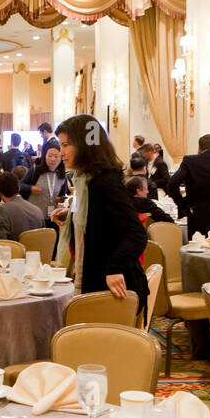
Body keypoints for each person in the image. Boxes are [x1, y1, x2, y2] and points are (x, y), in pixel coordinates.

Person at [49, 114, 148, 315]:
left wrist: (114, 268)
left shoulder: (105, 183)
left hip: (112, 287)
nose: (62, 152)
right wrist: (70, 215)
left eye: (66, 145)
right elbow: (99, 217)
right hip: (93, 277)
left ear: (86, 146)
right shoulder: (86, 182)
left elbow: (136, 233)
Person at [0, 171, 44, 241]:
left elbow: (0, 241)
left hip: (15, 251)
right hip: (38, 251)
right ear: (19, 187)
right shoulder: (38, 210)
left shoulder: (3, 210)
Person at [22, 142, 67, 219]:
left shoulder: (63, 176)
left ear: (61, 159)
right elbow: (20, 186)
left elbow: (62, 195)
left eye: (56, 156)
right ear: (45, 157)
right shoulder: (35, 170)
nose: (52, 159)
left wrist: (60, 199)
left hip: (53, 217)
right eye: (49, 156)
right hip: (33, 216)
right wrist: (31, 188)